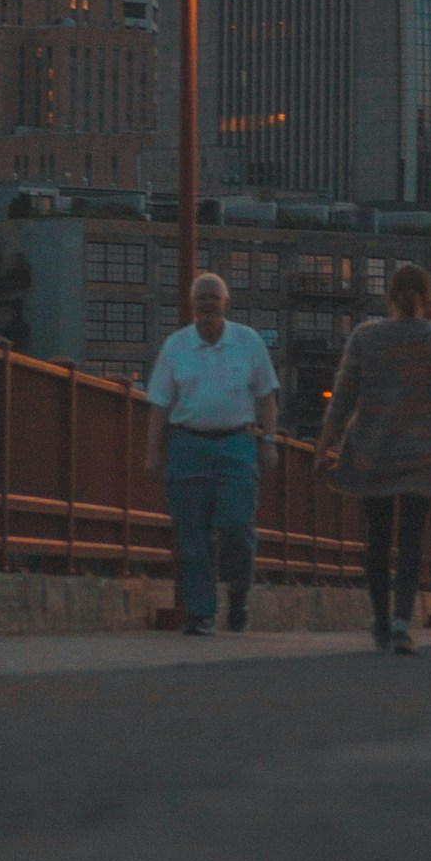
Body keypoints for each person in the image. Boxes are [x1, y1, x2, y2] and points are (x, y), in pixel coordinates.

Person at [318, 261, 431, 654]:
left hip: (374, 452)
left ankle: (382, 622)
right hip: (422, 455)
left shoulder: (365, 338)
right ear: (427, 298)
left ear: (389, 297)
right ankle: (404, 622)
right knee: (410, 541)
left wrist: (325, 446)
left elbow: (343, 399)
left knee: (378, 540)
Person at [142, 268, 279, 631]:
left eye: (212, 297)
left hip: (236, 443)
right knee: (192, 533)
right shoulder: (176, 346)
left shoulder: (247, 342)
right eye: (200, 297)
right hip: (188, 444)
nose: (206, 304)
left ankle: (238, 592)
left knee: (236, 524)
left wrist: (269, 441)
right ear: (191, 304)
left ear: (225, 302)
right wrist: (153, 452)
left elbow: (267, 397)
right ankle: (201, 612)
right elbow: (159, 404)